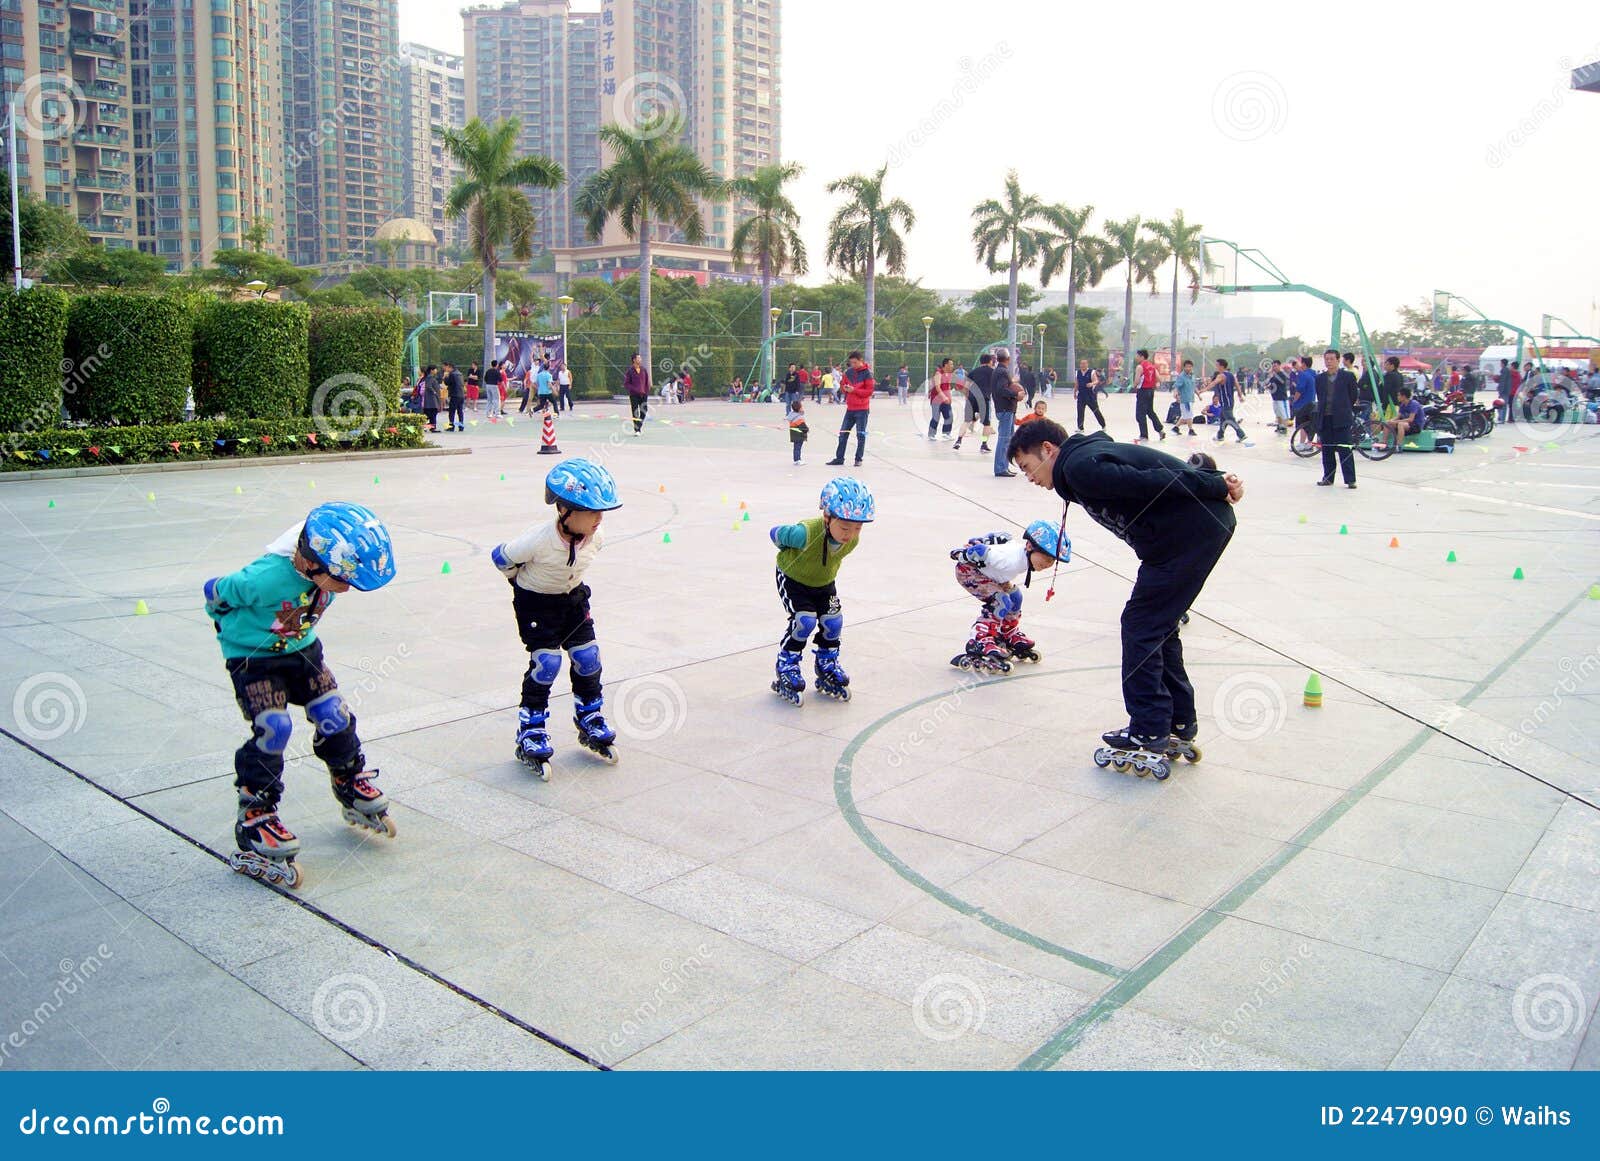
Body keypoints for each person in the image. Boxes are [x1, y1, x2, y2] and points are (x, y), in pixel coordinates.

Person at [1008, 419, 1244, 776]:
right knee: (1157, 628)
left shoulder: (1078, 466)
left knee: (1141, 626)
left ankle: (1149, 728)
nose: (1029, 477)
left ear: (1047, 449)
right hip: (1189, 536)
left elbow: (1151, 480)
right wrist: (1213, 482)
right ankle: (1177, 722)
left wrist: (1213, 483)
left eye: (1027, 466)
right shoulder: (1082, 463)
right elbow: (1152, 465)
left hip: (1186, 538)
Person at [203, 502, 398, 887]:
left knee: (333, 714)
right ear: (311, 563)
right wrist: (228, 629)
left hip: (303, 650)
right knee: (273, 728)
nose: (346, 589)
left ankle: (348, 778)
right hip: (252, 658)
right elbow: (216, 592)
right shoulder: (263, 579)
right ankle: (254, 814)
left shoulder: (326, 562)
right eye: (343, 580)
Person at [490, 459, 620, 780]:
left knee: (588, 656)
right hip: (536, 603)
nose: (599, 520)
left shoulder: (597, 536)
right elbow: (501, 557)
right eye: (592, 512)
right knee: (547, 663)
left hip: (573, 598)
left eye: (602, 512)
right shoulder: (538, 539)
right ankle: (530, 728)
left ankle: (589, 715)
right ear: (564, 510)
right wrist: (517, 582)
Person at [769, 477, 874, 705]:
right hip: (793, 579)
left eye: (857, 528)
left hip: (824, 583)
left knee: (834, 622)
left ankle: (826, 663)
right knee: (804, 621)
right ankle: (787, 664)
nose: (850, 534)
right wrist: (792, 554)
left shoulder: (852, 541)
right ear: (827, 517)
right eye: (845, 527)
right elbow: (775, 534)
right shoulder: (804, 533)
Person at [948, 520, 1071, 674]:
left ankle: (1007, 633)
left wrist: (980, 541)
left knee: (1015, 597)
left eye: (1053, 560)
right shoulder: (1008, 560)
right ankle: (980, 639)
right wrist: (962, 552)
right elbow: (981, 551)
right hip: (969, 572)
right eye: (1046, 557)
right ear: (1029, 546)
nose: (1048, 563)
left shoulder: (1020, 555)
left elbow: (1001, 537)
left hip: (992, 574)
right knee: (1000, 601)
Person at [1315, 347, 1358, 489]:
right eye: (1326, 359)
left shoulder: (1348, 377)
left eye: (1332, 359)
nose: (1329, 362)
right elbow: (1320, 397)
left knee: (1345, 449)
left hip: (1342, 419)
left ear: (1338, 360)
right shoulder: (1320, 379)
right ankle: (1328, 478)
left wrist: (1344, 408)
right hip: (1325, 419)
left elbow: (1353, 396)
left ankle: (1350, 480)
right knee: (1327, 450)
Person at [826, 351, 875, 466]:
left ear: (861, 360)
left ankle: (858, 459)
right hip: (850, 409)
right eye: (851, 363)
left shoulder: (867, 374)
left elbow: (869, 391)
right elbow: (842, 386)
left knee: (860, 434)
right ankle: (839, 458)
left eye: (855, 362)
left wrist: (854, 390)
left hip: (862, 409)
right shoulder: (848, 372)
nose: (853, 365)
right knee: (843, 434)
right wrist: (845, 388)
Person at [991, 346, 1023, 476]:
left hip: (1005, 409)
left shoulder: (998, 371)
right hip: (1005, 408)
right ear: (1008, 359)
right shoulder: (1002, 372)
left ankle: (1004, 466)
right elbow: (1001, 389)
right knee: (1004, 439)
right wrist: (1016, 395)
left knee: (1008, 439)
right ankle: (1000, 468)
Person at [955, 352, 995, 452]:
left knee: (966, 421)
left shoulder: (973, 372)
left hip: (972, 397)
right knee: (986, 424)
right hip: (984, 398)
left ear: (981, 362)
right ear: (990, 361)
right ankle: (984, 444)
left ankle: (958, 441)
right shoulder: (992, 372)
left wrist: (967, 397)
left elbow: (965, 387)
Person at [1209, 358, 1248, 443]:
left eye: (1217, 365)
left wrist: (1203, 389)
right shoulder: (1231, 375)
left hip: (1225, 401)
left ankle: (1241, 434)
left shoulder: (1221, 375)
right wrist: (1240, 395)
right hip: (1230, 401)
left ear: (1221, 366)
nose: (1216, 366)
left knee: (1230, 419)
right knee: (1223, 418)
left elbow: (1214, 383)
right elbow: (1237, 386)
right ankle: (1220, 435)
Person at [1132, 349, 1165, 442]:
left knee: (1140, 414)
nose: (1136, 358)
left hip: (1142, 391)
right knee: (1150, 411)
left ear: (1142, 356)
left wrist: (1133, 386)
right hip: (1151, 391)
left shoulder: (1140, 367)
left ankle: (1144, 435)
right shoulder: (1152, 366)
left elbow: (1137, 380)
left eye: (1137, 356)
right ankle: (1160, 430)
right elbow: (1159, 379)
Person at [1382, 385, 1427, 449]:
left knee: (1400, 424)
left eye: (1399, 395)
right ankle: (1384, 444)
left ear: (1404, 396)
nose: (1397, 397)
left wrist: (1395, 422)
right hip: (1406, 424)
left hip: (1416, 425)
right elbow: (1397, 417)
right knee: (1387, 423)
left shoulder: (1414, 404)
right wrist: (1390, 421)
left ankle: (1398, 446)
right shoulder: (1402, 405)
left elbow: (1411, 419)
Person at [1075, 358, 1107, 433]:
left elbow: (1096, 380)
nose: (1082, 365)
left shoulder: (1091, 372)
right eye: (1081, 364)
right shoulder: (1077, 372)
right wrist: (1075, 392)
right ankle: (1080, 428)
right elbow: (1076, 383)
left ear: (1087, 364)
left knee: (1096, 411)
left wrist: (1091, 384)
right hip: (1081, 395)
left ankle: (1103, 425)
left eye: (1084, 363)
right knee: (1080, 411)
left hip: (1090, 395)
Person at [928, 357, 955, 440]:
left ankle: (946, 433)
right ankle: (931, 434)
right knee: (936, 417)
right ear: (946, 365)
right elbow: (937, 387)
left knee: (949, 416)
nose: (952, 366)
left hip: (945, 399)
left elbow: (948, 387)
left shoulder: (949, 374)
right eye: (951, 364)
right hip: (936, 400)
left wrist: (949, 397)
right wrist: (944, 397)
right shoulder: (938, 373)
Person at [1291, 355, 1318, 434]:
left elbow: (1299, 390)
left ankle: (1302, 443)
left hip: (1302, 404)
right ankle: (1308, 443)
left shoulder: (1303, 374)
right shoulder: (1313, 373)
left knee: (1302, 425)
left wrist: (1294, 401)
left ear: (1303, 364)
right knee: (1309, 424)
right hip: (1312, 402)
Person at [624, 352, 650, 435]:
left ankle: (639, 425)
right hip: (634, 395)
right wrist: (634, 389)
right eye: (638, 358)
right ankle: (637, 430)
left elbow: (647, 382)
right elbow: (626, 384)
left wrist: (646, 392)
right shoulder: (630, 371)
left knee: (644, 411)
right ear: (634, 360)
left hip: (643, 395)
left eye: (640, 358)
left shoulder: (644, 370)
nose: (640, 359)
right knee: (635, 412)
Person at [1172, 359, 1198, 437]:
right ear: (1184, 367)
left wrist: (1198, 395)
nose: (1188, 368)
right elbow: (1176, 386)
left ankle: (1176, 428)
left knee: (1185, 415)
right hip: (1185, 399)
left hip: (1191, 398)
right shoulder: (1181, 376)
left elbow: (1193, 386)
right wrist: (1175, 393)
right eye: (1187, 367)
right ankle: (1191, 429)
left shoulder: (1192, 375)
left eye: (1190, 367)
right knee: (1189, 415)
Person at [1267, 359, 1291, 434]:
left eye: (1275, 366)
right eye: (1273, 366)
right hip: (1275, 398)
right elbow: (1270, 384)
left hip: (1282, 398)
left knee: (1284, 414)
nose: (1274, 368)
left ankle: (1284, 428)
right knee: (1278, 413)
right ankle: (1280, 426)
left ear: (1279, 366)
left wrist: (1272, 376)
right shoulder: (1273, 376)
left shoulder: (1282, 375)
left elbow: (1281, 381)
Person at [443, 361, 465, 432]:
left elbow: (447, 382)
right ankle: (461, 426)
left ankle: (451, 426)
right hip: (461, 395)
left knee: (452, 411)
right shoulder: (460, 374)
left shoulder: (452, 374)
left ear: (450, 367)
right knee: (460, 411)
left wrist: (445, 377)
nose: (447, 369)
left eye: (448, 368)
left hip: (454, 395)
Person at [787, 397, 809, 464]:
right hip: (799, 434)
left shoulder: (791, 414)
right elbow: (803, 427)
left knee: (796, 447)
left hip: (793, 432)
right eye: (801, 407)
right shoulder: (799, 418)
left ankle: (796, 459)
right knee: (798, 447)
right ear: (799, 408)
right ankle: (797, 460)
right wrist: (807, 430)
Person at [421, 364, 441, 432]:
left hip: (432, 399)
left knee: (431, 414)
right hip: (431, 400)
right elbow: (429, 386)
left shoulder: (431, 377)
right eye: (435, 369)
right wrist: (434, 392)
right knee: (431, 413)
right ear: (432, 370)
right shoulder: (430, 377)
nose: (436, 370)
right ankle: (429, 427)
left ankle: (431, 427)